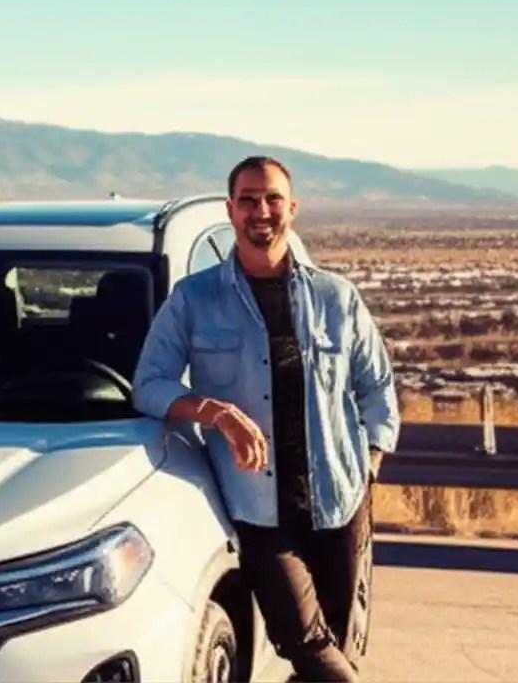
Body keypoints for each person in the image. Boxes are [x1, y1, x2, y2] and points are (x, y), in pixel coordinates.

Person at [132, 156, 400, 682]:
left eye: (273, 198)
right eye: (249, 200)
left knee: (334, 649)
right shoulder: (194, 299)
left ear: (292, 209)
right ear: (231, 210)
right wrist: (214, 412)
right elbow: (150, 385)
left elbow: (377, 391)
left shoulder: (336, 297)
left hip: (341, 502)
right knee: (307, 644)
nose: (262, 210)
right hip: (259, 511)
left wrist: (369, 466)